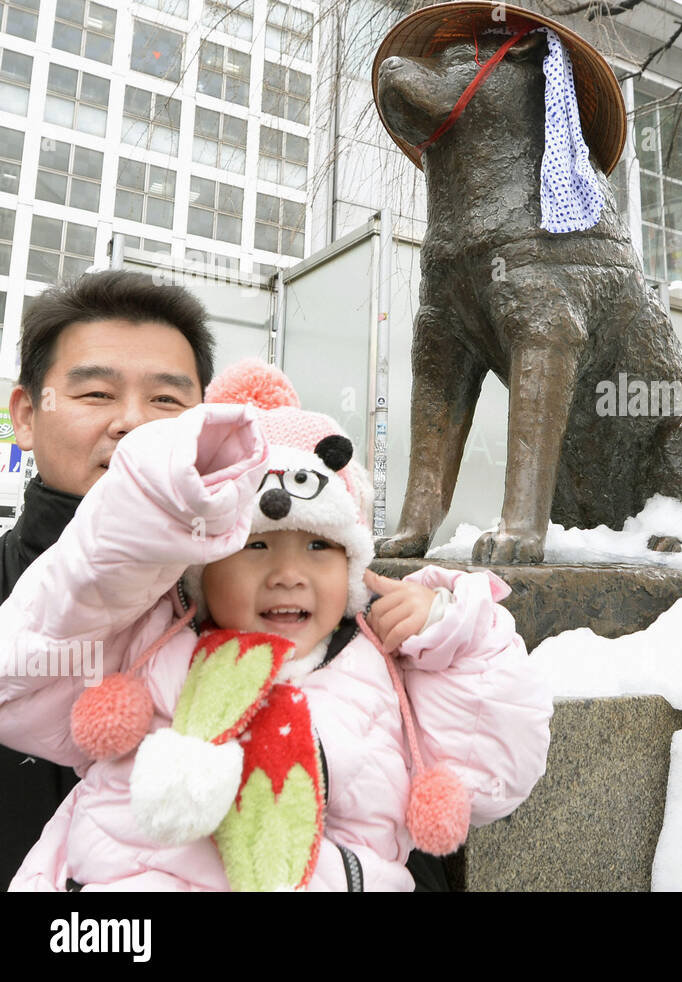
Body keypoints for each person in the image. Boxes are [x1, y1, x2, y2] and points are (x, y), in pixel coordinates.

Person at [0, 360, 551, 890]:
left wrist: (459, 636)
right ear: (201, 571)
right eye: (255, 546)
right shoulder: (149, 640)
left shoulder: (389, 662)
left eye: (319, 546)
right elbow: (24, 672)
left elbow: (495, 774)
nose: (289, 574)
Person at [0, 269, 214, 888]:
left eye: (167, 400)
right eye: (95, 394)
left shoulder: (274, 608)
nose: (133, 423)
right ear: (26, 416)